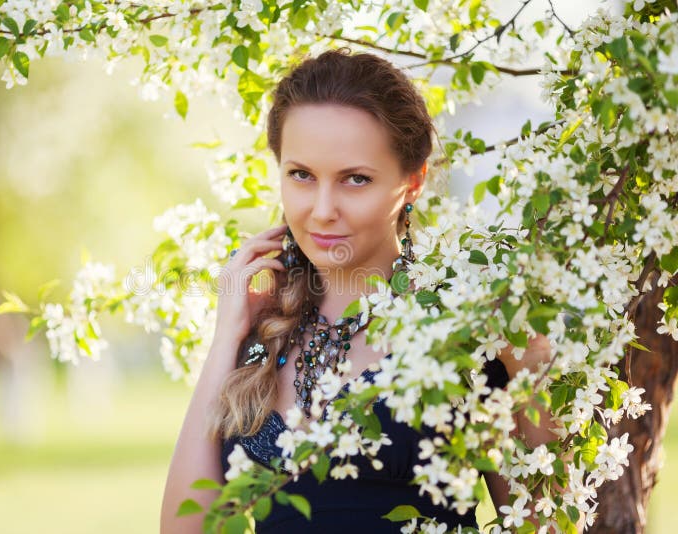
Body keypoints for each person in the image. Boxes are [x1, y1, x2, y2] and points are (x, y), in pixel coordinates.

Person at [161, 47, 555, 533]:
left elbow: (548, 526)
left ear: (413, 182)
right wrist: (227, 337)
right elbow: (186, 527)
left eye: (355, 179)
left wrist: (530, 383)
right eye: (301, 175)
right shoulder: (262, 331)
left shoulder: (467, 329)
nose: (323, 209)